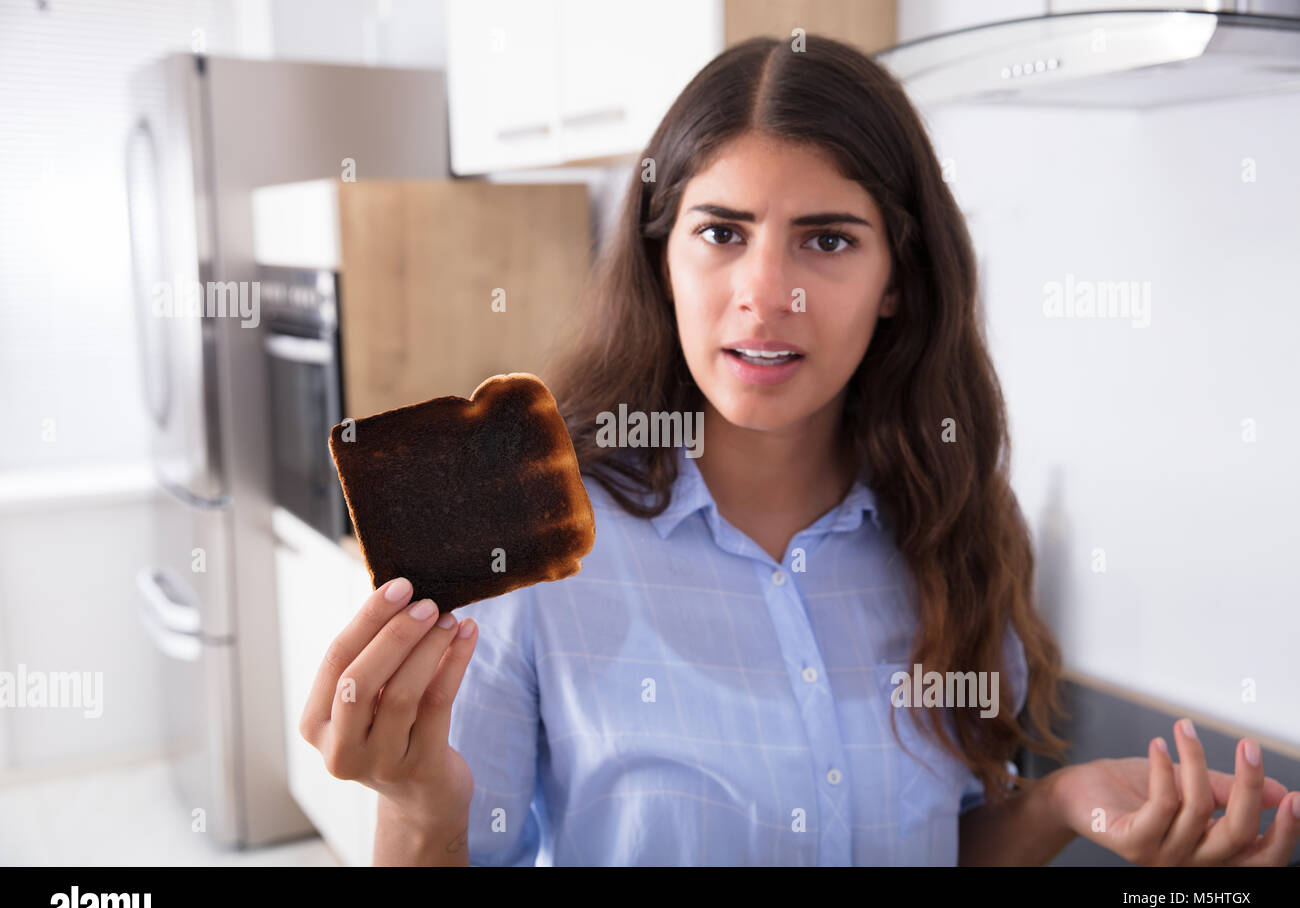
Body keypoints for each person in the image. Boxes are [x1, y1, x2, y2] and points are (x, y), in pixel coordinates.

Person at [298, 34, 1299, 866]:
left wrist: (1054, 804)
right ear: (662, 257)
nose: (766, 292)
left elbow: (931, 841)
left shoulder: (959, 524)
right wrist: (420, 804)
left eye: (826, 240)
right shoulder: (528, 543)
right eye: (721, 231)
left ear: (896, 280)